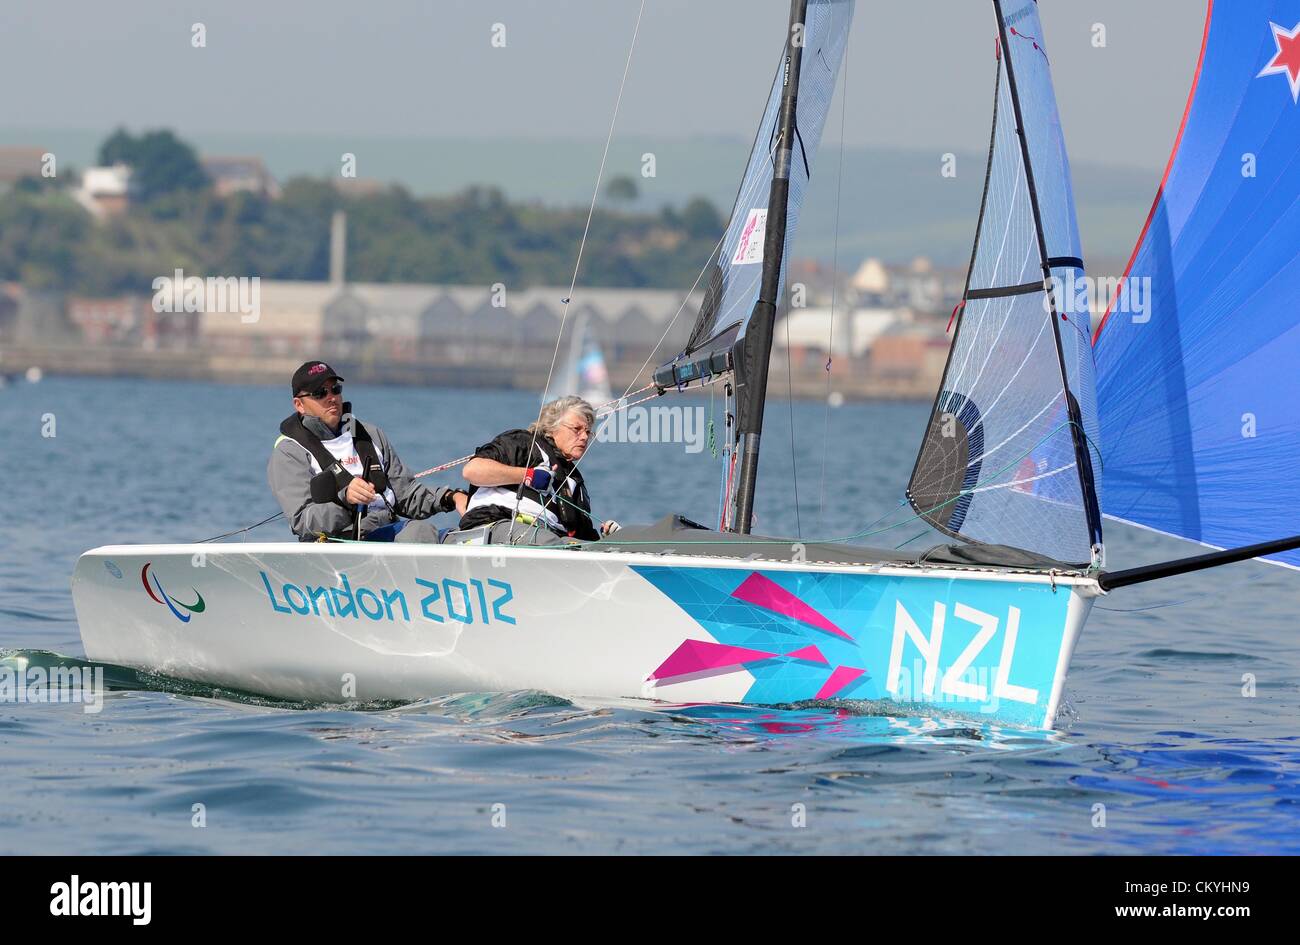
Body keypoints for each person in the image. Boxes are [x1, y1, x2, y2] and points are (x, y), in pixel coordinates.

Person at [268, 361, 466, 542]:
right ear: (299, 405)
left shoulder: (370, 434)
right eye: (320, 393)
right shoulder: (289, 452)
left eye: (335, 389)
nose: (331, 398)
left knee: (471, 535)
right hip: (338, 542)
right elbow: (303, 521)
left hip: (389, 530)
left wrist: (450, 497)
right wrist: (345, 500)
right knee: (419, 533)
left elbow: (405, 495)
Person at [451, 395, 619, 545]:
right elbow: (472, 471)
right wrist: (529, 475)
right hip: (499, 523)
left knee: (587, 548)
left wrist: (607, 541)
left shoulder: (574, 480)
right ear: (552, 428)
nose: (584, 436)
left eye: (588, 432)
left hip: (550, 539)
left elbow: (583, 538)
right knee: (555, 544)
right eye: (577, 429)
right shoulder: (526, 443)